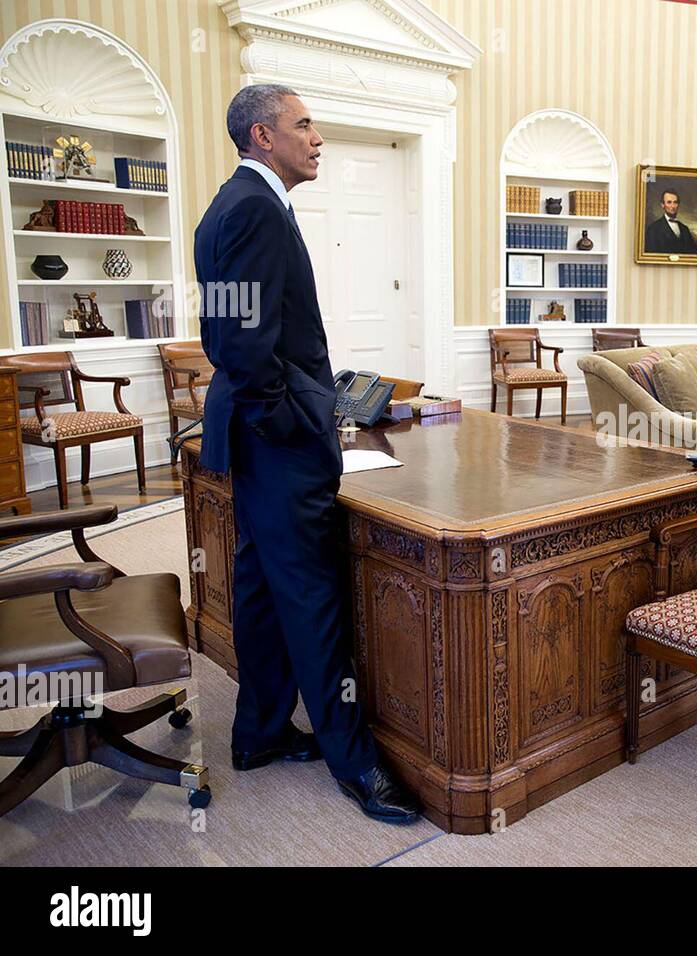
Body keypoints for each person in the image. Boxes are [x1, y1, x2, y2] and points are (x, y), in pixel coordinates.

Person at [195, 84, 420, 823]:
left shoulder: (231, 204)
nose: (317, 137)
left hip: (253, 440)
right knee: (313, 601)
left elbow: (232, 338)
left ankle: (257, 733)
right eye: (304, 125)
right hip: (276, 446)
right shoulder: (255, 210)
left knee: (260, 589)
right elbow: (240, 347)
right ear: (263, 136)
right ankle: (357, 765)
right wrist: (297, 423)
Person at [644, 189, 697, 254]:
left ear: (678, 204)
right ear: (662, 205)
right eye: (669, 202)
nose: (672, 206)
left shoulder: (685, 229)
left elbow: (693, 254)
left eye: (675, 202)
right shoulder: (653, 229)